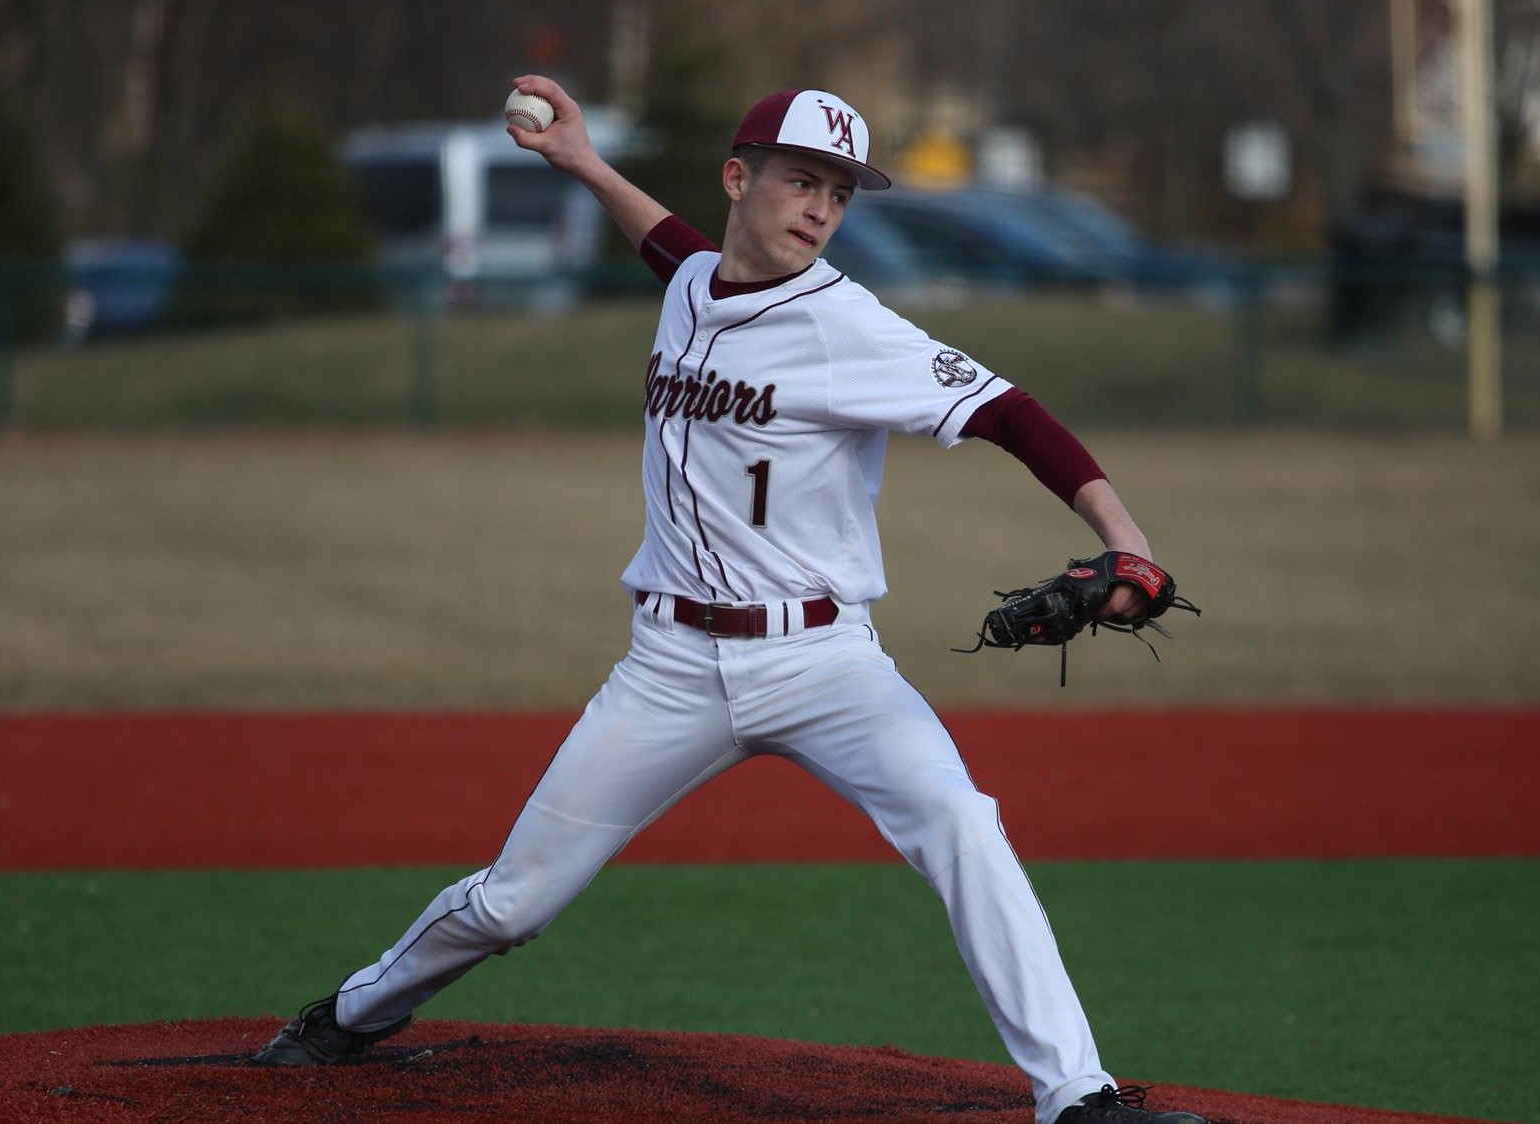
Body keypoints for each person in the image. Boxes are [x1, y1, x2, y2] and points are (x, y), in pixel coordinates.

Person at [252, 77, 1204, 1124]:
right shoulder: (693, 281)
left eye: (838, 193)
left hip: (825, 662)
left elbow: (1010, 413)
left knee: (961, 823)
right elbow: (670, 247)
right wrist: (581, 163)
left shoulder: (849, 324)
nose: (819, 209)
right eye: (801, 181)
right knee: (515, 900)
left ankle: (1075, 1093)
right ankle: (351, 1013)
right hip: (667, 669)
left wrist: (1125, 541)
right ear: (738, 179)